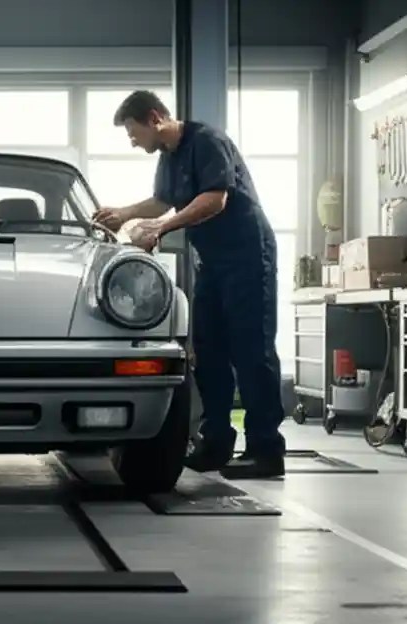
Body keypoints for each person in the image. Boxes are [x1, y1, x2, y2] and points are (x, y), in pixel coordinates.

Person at [93, 89, 286, 479]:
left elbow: (215, 200)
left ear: (153, 118)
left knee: (251, 349)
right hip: (213, 262)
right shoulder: (168, 157)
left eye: (133, 132)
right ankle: (215, 443)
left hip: (248, 255)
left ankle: (266, 450)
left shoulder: (207, 141)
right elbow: (163, 201)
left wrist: (161, 227)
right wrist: (124, 214)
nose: (132, 141)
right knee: (209, 350)